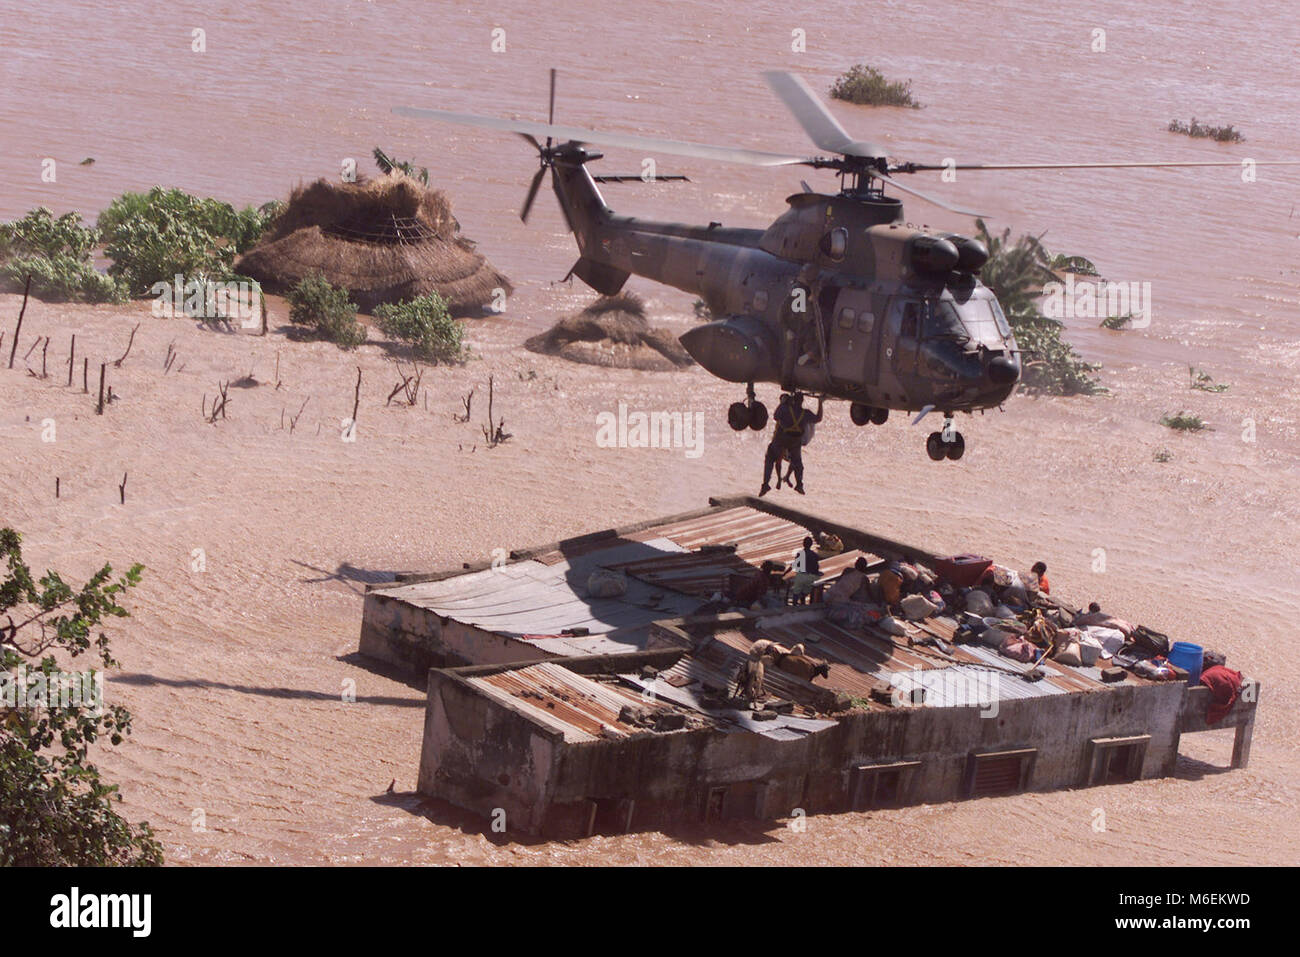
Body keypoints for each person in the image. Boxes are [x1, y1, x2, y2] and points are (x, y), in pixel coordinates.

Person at [760, 392, 823, 496]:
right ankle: (799, 485)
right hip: (794, 442)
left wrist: (783, 403)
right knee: (797, 463)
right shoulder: (805, 413)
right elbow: (818, 418)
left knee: (770, 458)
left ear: (793, 400)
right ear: (802, 401)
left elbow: (775, 416)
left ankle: (766, 484)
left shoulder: (785, 409)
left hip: (781, 439)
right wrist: (820, 403)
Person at [788, 536, 821, 604]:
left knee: (796, 593)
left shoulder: (800, 554)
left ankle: (795, 604)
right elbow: (816, 568)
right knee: (804, 592)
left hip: (801, 577)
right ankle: (802, 602)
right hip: (810, 578)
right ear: (811, 544)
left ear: (803, 544)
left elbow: (794, 565)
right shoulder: (814, 555)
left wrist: (785, 573)